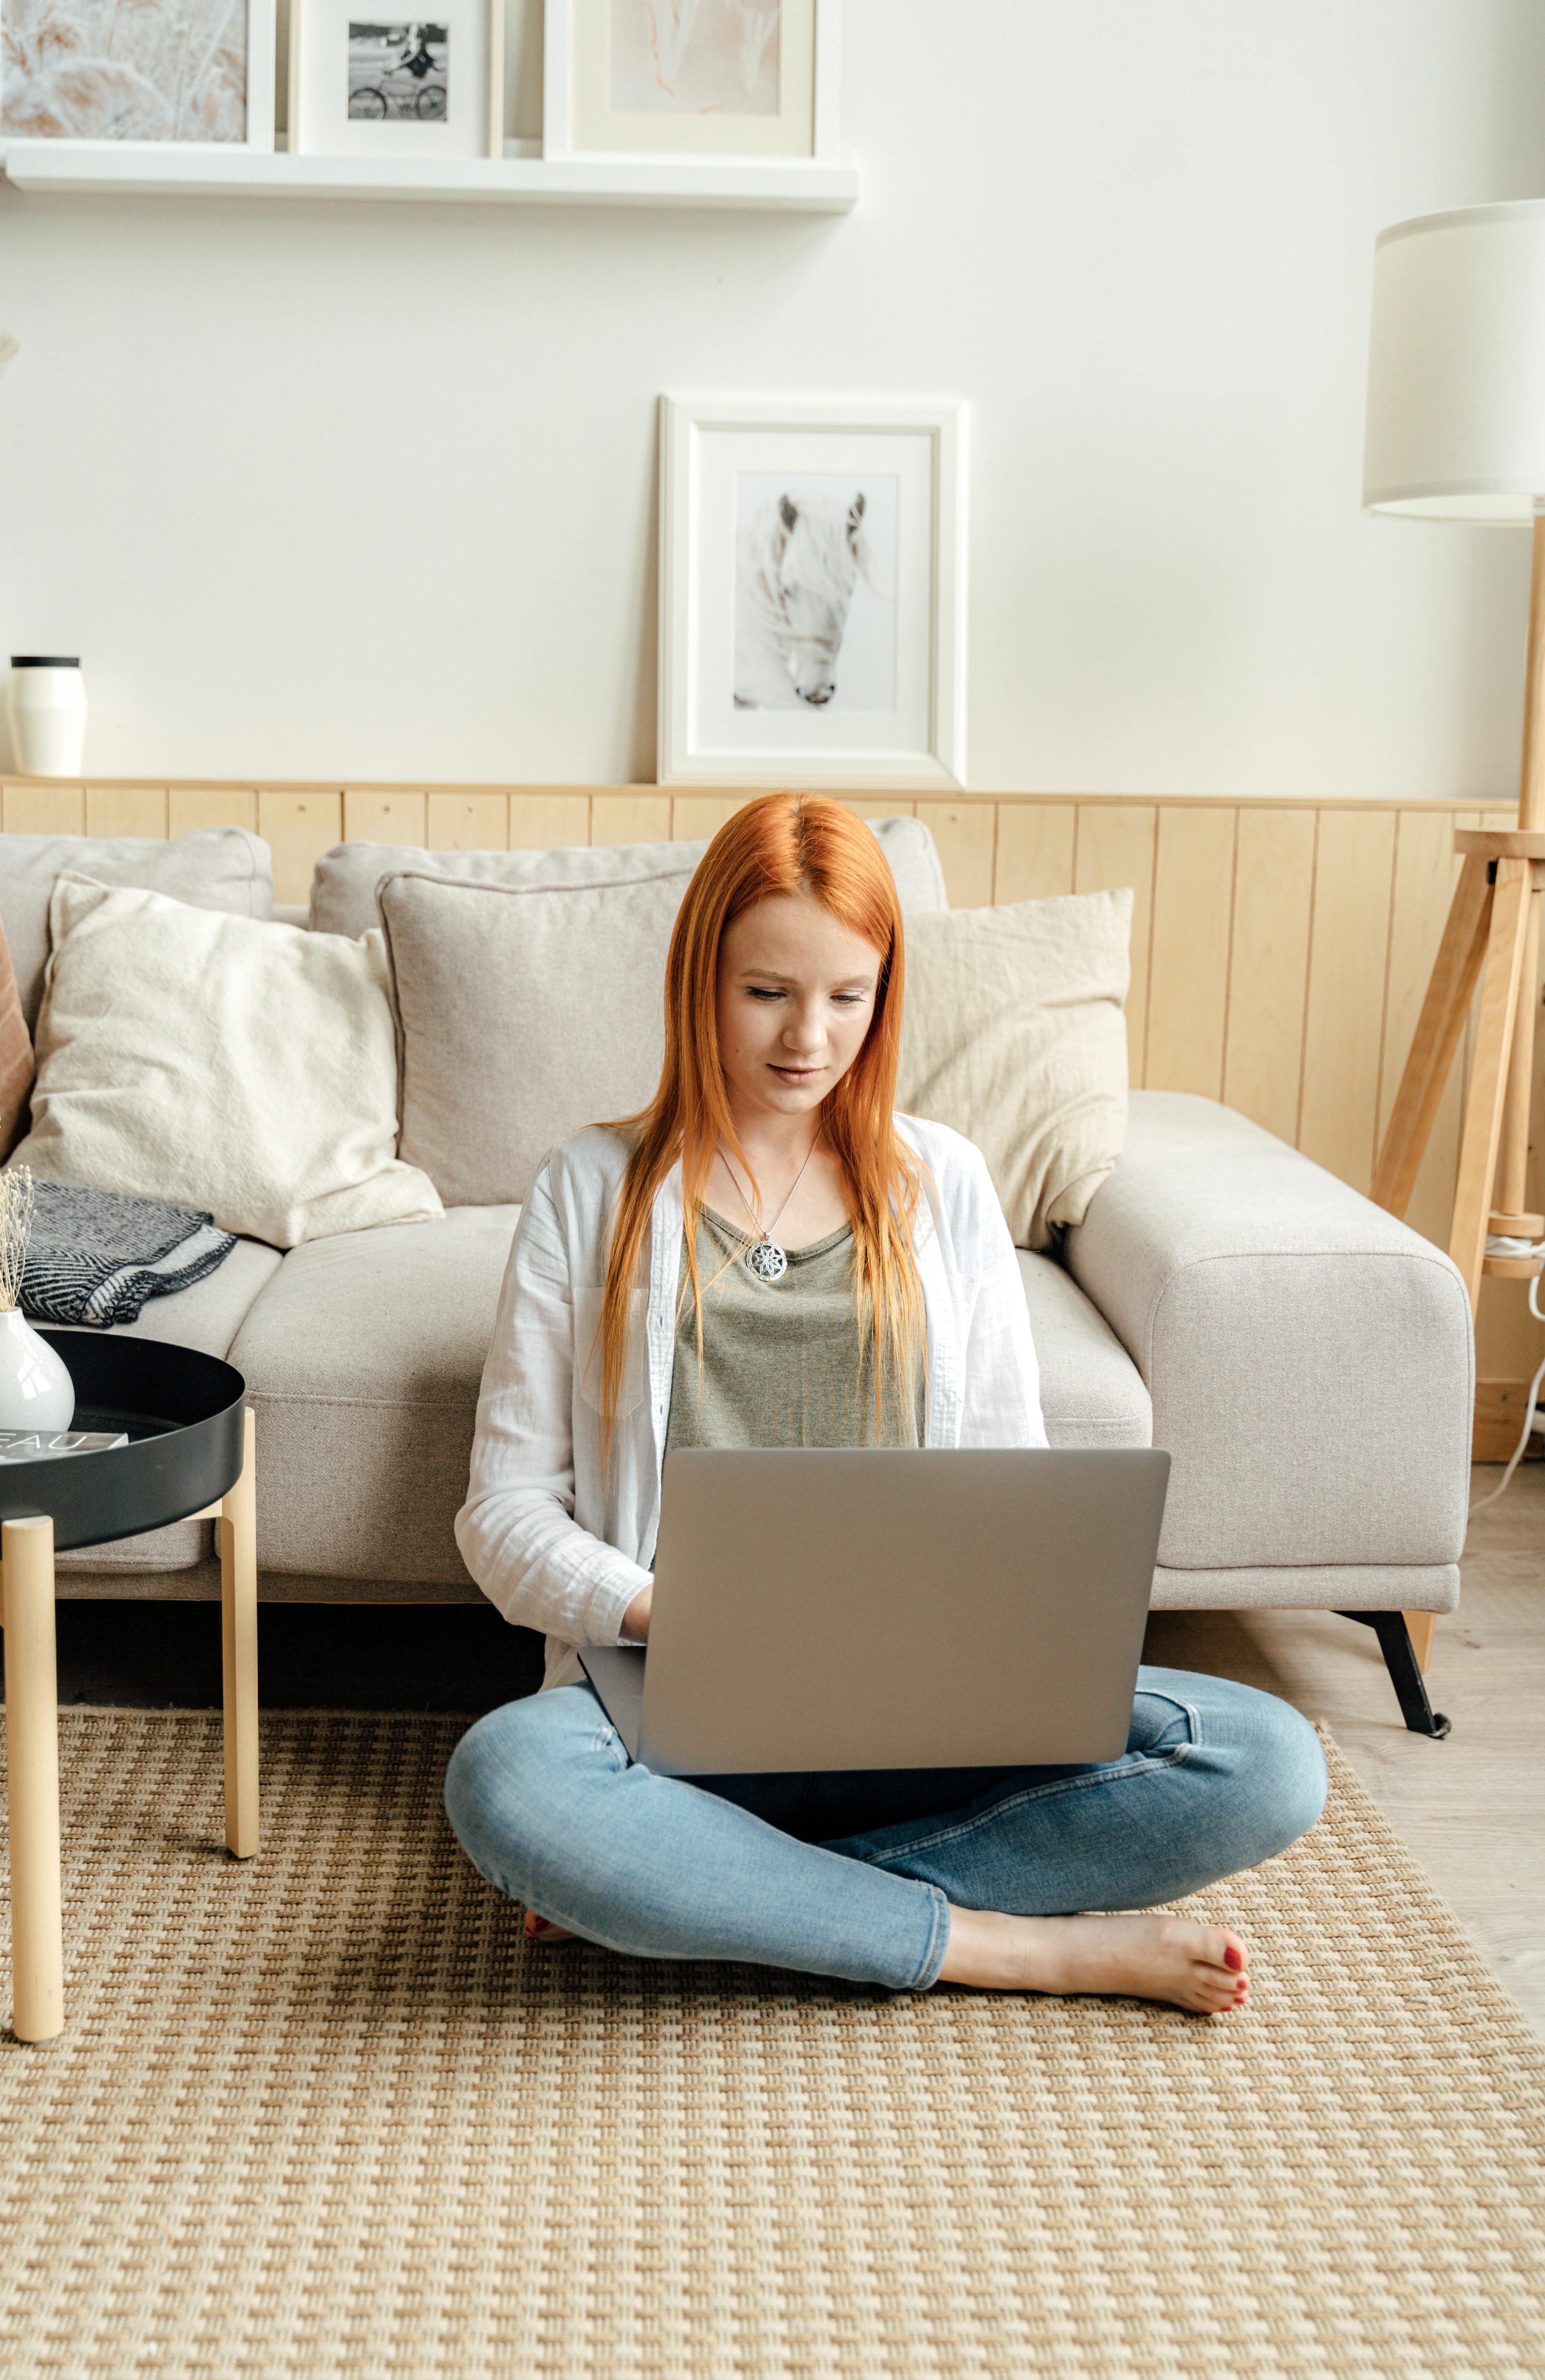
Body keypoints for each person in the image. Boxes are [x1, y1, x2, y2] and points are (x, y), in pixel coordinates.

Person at [445, 795, 1327, 2013]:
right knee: (507, 1784)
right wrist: (664, 1611)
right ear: (701, 978)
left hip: (922, 1706)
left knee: (1268, 1759)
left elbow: (1010, 1492)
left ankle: (706, 1900)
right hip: (673, 1697)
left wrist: (1005, 1637)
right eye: (768, 992)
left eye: (848, 996)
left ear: (885, 993)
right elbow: (502, 1516)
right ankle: (1008, 1944)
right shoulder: (588, 1186)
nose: (810, 1037)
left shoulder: (945, 1182)